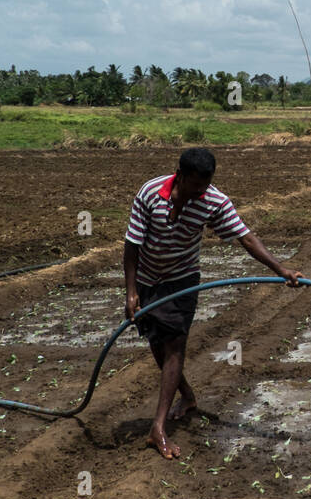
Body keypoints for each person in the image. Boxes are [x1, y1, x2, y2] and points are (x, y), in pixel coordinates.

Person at [124, 147, 302, 459]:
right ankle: (188, 396)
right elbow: (132, 245)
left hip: (182, 278)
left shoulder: (213, 201)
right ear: (180, 175)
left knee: (175, 346)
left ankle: (158, 428)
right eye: (194, 187)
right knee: (157, 344)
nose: (199, 194)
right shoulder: (150, 193)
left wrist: (282, 270)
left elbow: (246, 237)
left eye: (204, 187)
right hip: (147, 279)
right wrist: (132, 292)